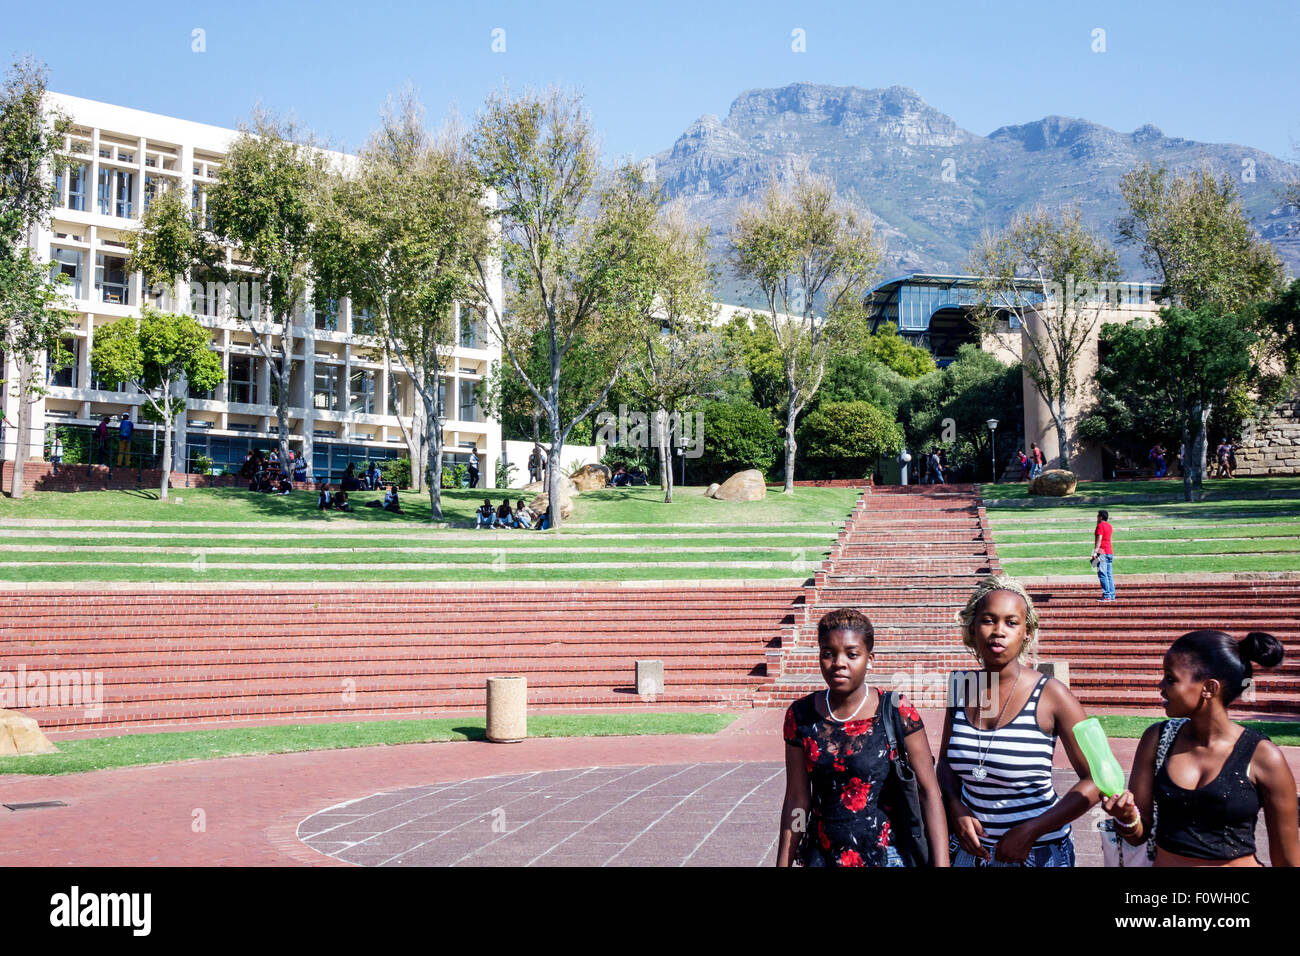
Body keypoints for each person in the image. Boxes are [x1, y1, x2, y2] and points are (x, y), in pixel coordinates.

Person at [937, 577, 1102, 867]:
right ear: (972, 628)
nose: (998, 631)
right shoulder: (961, 687)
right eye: (988, 620)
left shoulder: (1052, 695)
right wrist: (955, 808)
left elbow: (1097, 780)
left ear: (1026, 632)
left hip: (1037, 852)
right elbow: (947, 767)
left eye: (1011, 623)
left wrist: (1032, 830)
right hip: (971, 851)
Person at [1100, 630, 1299, 867]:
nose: (1161, 685)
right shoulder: (1158, 738)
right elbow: (1138, 835)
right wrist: (1126, 817)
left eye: (1171, 678)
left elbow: (1287, 861)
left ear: (1209, 688)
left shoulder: (1264, 756)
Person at [778, 608, 949, 867]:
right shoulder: (800, 716)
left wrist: (942, 863)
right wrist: (784, 862)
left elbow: (929, 792)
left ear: (870, 659)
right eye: (828, 653)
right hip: (822, 857)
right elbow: (797, 800)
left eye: (851, 654)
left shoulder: (896, 710)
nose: (838, 662)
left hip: (887, 857)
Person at [1093, 508, 1116, 601]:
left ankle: (1106, 595)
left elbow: (1099, 538)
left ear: (1101, 517)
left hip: (1102, 551)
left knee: (1102, 574)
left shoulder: (1100, 526)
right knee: (1109, 574)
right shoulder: (1109, 526)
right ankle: (1111, 595)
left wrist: (1095, 551)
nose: (1096, 518)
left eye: (1097, 516)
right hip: (1110, 551)